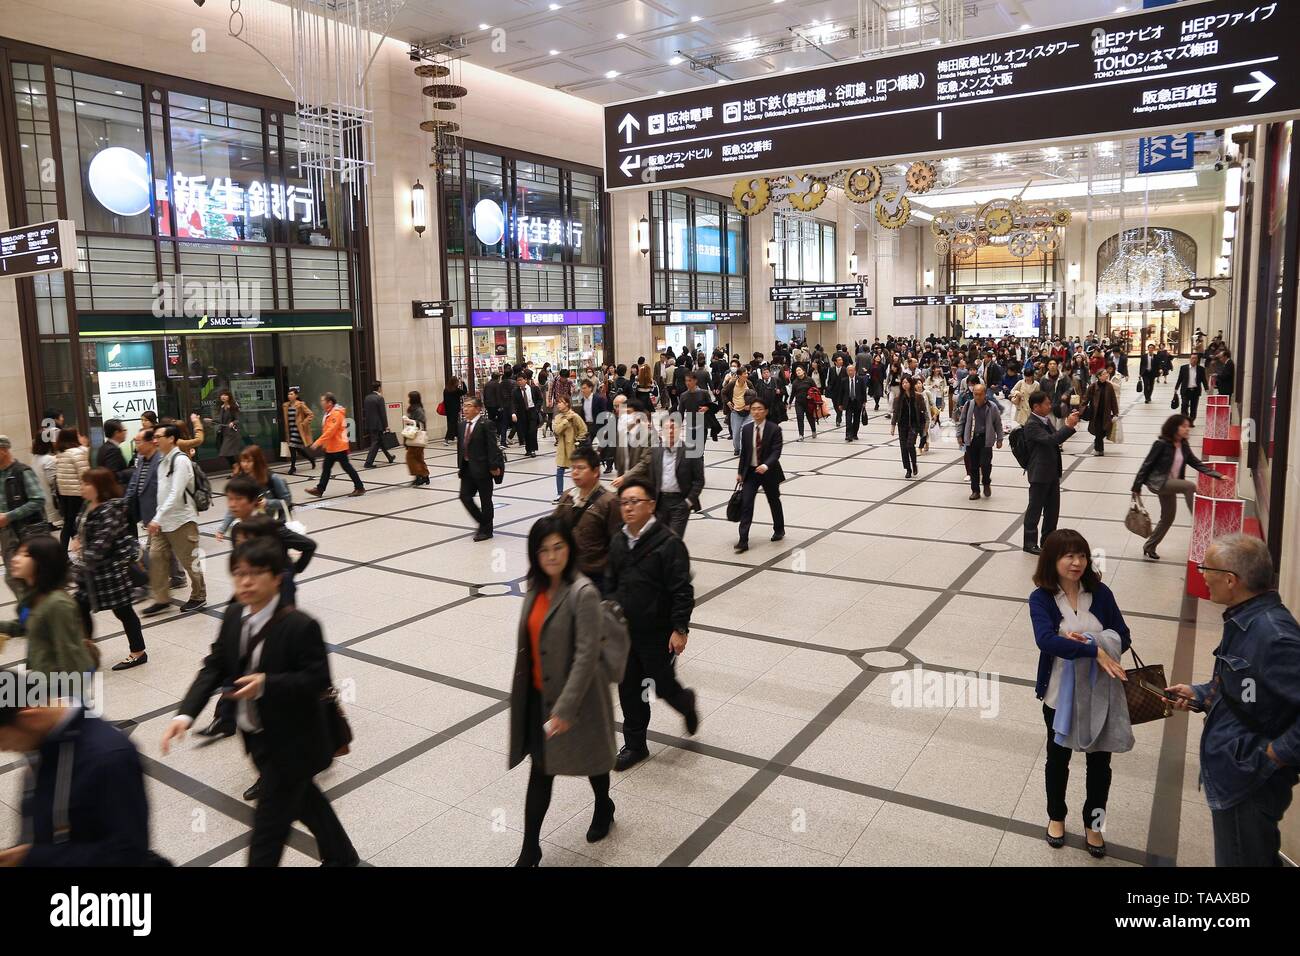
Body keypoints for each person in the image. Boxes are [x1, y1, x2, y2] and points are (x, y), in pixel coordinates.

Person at [162, 538, 358, 867]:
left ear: (277, 578)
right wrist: (186, 714)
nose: (246, 581)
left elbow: (317, 680)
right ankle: (342, 856)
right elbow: (216, 665)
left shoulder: (300, 626)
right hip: (258, 737)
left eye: (255, 573)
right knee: (307, 799)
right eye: (238, 573)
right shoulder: (236, 614)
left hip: (295, 742)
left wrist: (268, 684)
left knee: (268, 833)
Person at [1166, 535, 1300, 866]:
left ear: (1231, 580)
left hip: (1250, 782)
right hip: (1233, 770)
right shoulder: (1243, 618)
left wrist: (1273, 755)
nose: (1201, 574)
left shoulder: (1274, 635)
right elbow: (1249, 688)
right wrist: (1200, 694)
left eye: (1206, 567)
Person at [508, 516, 617, 867]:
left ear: (569, 549)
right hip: (541, 699)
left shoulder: (582, 592)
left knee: (594, 761)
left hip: (579, 700)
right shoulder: (536, 587)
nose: (551, 556)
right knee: (541, 770)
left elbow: (587, 655)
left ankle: (604, 805)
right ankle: (530, 848)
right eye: (543, 550)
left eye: (558, 548)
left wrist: (566, 709)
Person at [1029, 529, 1133, 859]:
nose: (1077, 562)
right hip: (1059, 695)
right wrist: (1094, 651)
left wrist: (1092, 643)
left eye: (1082, 555)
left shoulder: (1099, 593)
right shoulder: (1042, 598)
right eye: (1068, 556)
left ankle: (1094, 824)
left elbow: (1124, 636)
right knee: (1057, 760)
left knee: (1100, 764)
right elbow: (1046, 640)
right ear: (1053, 560)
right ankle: (1056, 816)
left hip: (1100, 693)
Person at [607, 478, 698, 772]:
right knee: (629, 688)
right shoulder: (619, 540)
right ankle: (635, 745)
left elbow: (682, 590)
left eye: (636, 501)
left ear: (651, 506)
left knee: (661, 685)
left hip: (657, 633)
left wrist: (680, 629)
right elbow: (611, 582)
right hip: (625, 632)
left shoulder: (669, 543)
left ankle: (685, 703)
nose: (629, 508)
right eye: (625, 502)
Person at [0, 700, 155, 867]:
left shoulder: (109, 757)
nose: (3, 748)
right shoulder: (44, 745)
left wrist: (28, 858)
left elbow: (128, 855)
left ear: (29, 716)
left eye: (1, 739)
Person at [72, 467, 148, 672]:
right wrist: (78, 540)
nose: (82, 487)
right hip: (90, 574)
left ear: (99, 487)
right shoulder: (87, 505)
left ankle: (138, 652)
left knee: (123, 611)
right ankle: (86, 652)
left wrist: (79, 554)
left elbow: (102, 543)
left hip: (110, 572)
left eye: (86, 483)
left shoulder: (111, 509)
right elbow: (81, 530)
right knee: (79, 606)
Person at [0, 535, 95, 686]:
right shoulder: (34, 595)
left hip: (58, 686)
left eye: (25, 555)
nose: (15, 559)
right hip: (42, 678)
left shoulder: (58, 603)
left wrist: (64, 700)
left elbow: (69, 653)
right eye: (17, 553)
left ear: (43, 562)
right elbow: (25, 625)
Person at [1132, 415, 1225, 561]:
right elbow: (1146, 465)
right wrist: (1136, 487)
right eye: (1184, 426)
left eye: (1188, 426)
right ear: (1174, 428)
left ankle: (1149, 546)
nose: (1187, 429)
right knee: (1189, 486)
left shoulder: (1184, 445)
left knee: (1168, 517)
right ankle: (1199, 520)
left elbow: (1196, 463)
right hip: (1158, 483)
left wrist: (1217, 475)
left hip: (1170, 484)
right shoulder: (1161, 444)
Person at [141, 424, 206, 617]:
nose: (155, 440)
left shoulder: (181, 461)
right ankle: (162, 599)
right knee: (156, 557)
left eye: (159, 436)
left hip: (182, 520)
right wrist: (157, 518)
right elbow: (161, 492)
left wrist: (157, 518)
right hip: (162, 521)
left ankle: (199, 595)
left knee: (189, 562)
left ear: (171, 439)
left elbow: (176, 493)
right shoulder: (161, 460)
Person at [552, 447, 621, 594]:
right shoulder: (567, 497)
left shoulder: (609, 502)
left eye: (581, 468)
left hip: (596, 578)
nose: (575, 472)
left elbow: (617, 543)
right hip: (568, 572)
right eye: (573, 468)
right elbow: (554, 528)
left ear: (596, 471)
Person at [1021, 392, 1082, 555]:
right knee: (1035, 508)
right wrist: (1068, 426)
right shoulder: (1032, 424)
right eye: (1047, 404)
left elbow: (1055, 438)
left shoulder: (1045, 420)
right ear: (1036, 406)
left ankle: (1048, 541)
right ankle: (1029, 542)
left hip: (1051, 472)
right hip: (1039, 473)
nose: (1050, 406)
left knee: (1052, 510)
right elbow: (1051, 440)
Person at [1, 434, 50, 603]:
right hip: (7, 533)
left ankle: (34, 612)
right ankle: (30, 612)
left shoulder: (21, 472)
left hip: (26, 531)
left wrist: (9, 516)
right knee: (14, 576)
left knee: (27, 576)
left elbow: (38, 500)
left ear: (3, 451)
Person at [735, 397, 786, 554]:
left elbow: (776, 451)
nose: (756, 412)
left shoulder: (774, 429)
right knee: (746, 503)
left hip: (769, 472)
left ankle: (779, 529)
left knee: (773, 500)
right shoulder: (748, 429)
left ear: (766, 411)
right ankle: (743, 540)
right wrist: (740, 472)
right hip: (751, 473)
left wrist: (765, 465)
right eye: (753, 409)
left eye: (759, 409)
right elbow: (744, 453)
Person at [641, 416, 704, 540]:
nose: (670, 431)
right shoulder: (656, 451)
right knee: (658, 539)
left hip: (680, 502)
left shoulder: (691, 450)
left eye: (673, 428)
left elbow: (699, 480)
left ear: (680, 429)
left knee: (673, 540)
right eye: (667, 428)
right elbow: (652, 479)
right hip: (660, 502)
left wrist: (688, 502)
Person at [216, 446, 293, 537]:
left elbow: (286, 501)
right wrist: (222, 529)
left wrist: (267, 503)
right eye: (243, 461)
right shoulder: (241, 481)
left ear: (257, 462)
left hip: (273, 526)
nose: (245, 464)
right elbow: (234, 506)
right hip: (251, 526)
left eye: (249, 461)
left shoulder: (272, 478)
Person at [458, 397, 504, 542]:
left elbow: (492, 446)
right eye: (464, 406)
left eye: (469, 406)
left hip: (483, 469)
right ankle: (483, 522)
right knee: (464, 497)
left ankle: (487, 530)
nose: (465, 409)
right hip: (467, 468)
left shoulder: (486, 424)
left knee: (486, 501)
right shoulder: (461, 425)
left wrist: (494, 466)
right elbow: (461, 447)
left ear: (478, 409)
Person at [305, 393, 366, 499]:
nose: (321, 403)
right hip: (331, 447)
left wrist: (318, 442)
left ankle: (360, 487)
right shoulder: (329, 413)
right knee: (326, 468)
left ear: (330, 402)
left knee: (347, 467)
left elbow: (330, 431)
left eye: (323, 401)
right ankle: (320, 489)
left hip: (339, 447)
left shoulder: (336, 414)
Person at [957, 382, 1003, 501]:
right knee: (973, 466)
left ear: (984, 394)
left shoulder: (992, 407)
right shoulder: (968, 405)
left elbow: (998, 424)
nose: (977, 396)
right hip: (971, 439)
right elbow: (962, 421)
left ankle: (986, 482)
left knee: (985, 464)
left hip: (986, 439)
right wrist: (959, 436)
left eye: (979, 394)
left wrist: (999, 439)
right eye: (975, 394)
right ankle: (975, 490)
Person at [54, 428, 90, 550]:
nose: (81, 436)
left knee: (68, 523)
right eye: (78, 434)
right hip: (77, 493)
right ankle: (67, 552)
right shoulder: (77, 452)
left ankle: (64, 553)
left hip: (64, 493)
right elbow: (85, 474)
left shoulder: (60, 454)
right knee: (79, 522)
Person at [551, 396, 588, 503]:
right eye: (557, 402)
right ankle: (559, 494)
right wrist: (566, 420)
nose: (558, 404)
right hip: (562, 448)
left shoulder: (575, 416)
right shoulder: (558, 417)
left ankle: (581, 492)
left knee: (577, 470)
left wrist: (578, 440)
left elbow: (583, 430)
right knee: (559, 470)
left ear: (567, 403)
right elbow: (557, 431)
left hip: (573, 447)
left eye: (561, 402)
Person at [891, 375, 927, 480]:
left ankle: (914, 463)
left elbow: (923, 411)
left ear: (911, 383)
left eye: (906, 382)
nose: (904, 385)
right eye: (903, 383)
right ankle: (908, 469)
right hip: (902, 425)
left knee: (910, 445)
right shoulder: (898, 398)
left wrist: (924, 426)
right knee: (903, 448)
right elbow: (895, 412)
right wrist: (893, 426)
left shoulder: (918, 396)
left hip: (914, 425)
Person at [1083, 367, 1119, 457]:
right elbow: (1086, 398)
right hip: (1096, 413)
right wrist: (1081, 408)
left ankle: (1097, 445)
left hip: (1106, 413)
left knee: (1104, 431)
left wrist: (1115, 412)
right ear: (1099, 376)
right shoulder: (1093, 386)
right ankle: (1099, 449)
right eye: (1104, 374)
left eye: (1106, 373)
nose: (1106, 375)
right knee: (1098, 431)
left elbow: (1113, 399)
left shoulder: (1109, 386)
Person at [281, 387, 316, 475]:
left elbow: (310, 414)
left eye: (292, 394)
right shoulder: (285, 405)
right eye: (289, 394)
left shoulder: (300, 405)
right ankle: (311, 459)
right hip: (290, 430)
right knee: (298, 449)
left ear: (296, 395)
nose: (289, 396)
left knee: (292, 447)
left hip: (298, 430)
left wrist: (303, 423)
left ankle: (292, 468)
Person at [207, 388, 243, 470]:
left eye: (225, 395)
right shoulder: (222, 407)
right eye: (222, 395)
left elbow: (238, 419)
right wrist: (212, 420)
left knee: (226, 452)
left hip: (232, 434)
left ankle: (237, 468)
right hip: (224, 433)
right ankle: (236, 469)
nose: (223, 397)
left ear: (229, 396)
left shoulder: (233, 406)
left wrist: (233, 423)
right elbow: (220, 421)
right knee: (228, 453)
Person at [362, 381, 395, 468]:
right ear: (379, 388)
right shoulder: (380, 398)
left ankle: (390, 457)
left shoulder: (367, 398)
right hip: (378, 424)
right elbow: (382, 413)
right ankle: (368, 463)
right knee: (376, 442)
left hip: (370, 423)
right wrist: (386, 425)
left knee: (380, 441)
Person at [725, 366, 756, 456]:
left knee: (745, 431)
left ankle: (744, 451)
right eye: (745, 373)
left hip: (748, 412)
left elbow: (755, 394)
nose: (747, 375)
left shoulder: (749, 383)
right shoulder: (732, 384)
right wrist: (728, 402)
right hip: (736, 411)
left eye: (747, 373)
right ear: (739, 375)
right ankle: (737, 448)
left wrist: (750, 405)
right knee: (736, 433)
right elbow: (724, 392)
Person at [402, 391, 430, 487]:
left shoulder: (417, 409)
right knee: (418, 458)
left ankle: (421, 476)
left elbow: (421, 423)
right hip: (413, 436)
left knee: (411, 458)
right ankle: (423, 476)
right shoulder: (414, 409)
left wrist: (410, 421)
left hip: (416, 437)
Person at [512, 373, 543, 458]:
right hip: (522, 414)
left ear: (526, 380)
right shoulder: (515, 392)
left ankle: (533, 449)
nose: (519, 382)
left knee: (532, 431)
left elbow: (540, 399)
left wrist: (537, 409)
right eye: (518, 380)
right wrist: (514, 413)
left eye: (521, 380)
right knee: (525, 431)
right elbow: (514, 403)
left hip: (532, 411)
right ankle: (528, 449)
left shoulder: (534, 389)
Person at [837, 361, 869, 442]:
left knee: (856, 419)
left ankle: (855, 434)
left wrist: (864, 401)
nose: (850, 372)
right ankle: (848, 435)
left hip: (857, 401)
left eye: (852, 370)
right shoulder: (844, 380)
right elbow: (841, 393)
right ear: (847, 372)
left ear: (855, 371)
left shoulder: (860, 379)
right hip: (848, 402)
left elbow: (863, 391)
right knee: (848, 419)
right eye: (849, 370)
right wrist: (840, 403)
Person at [95, 419, 132, 486]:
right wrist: (131, 471)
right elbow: (113, 474)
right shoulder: (112, 450)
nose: (126, 433)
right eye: (124, 430)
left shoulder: (104, 447)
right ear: (117, 433)